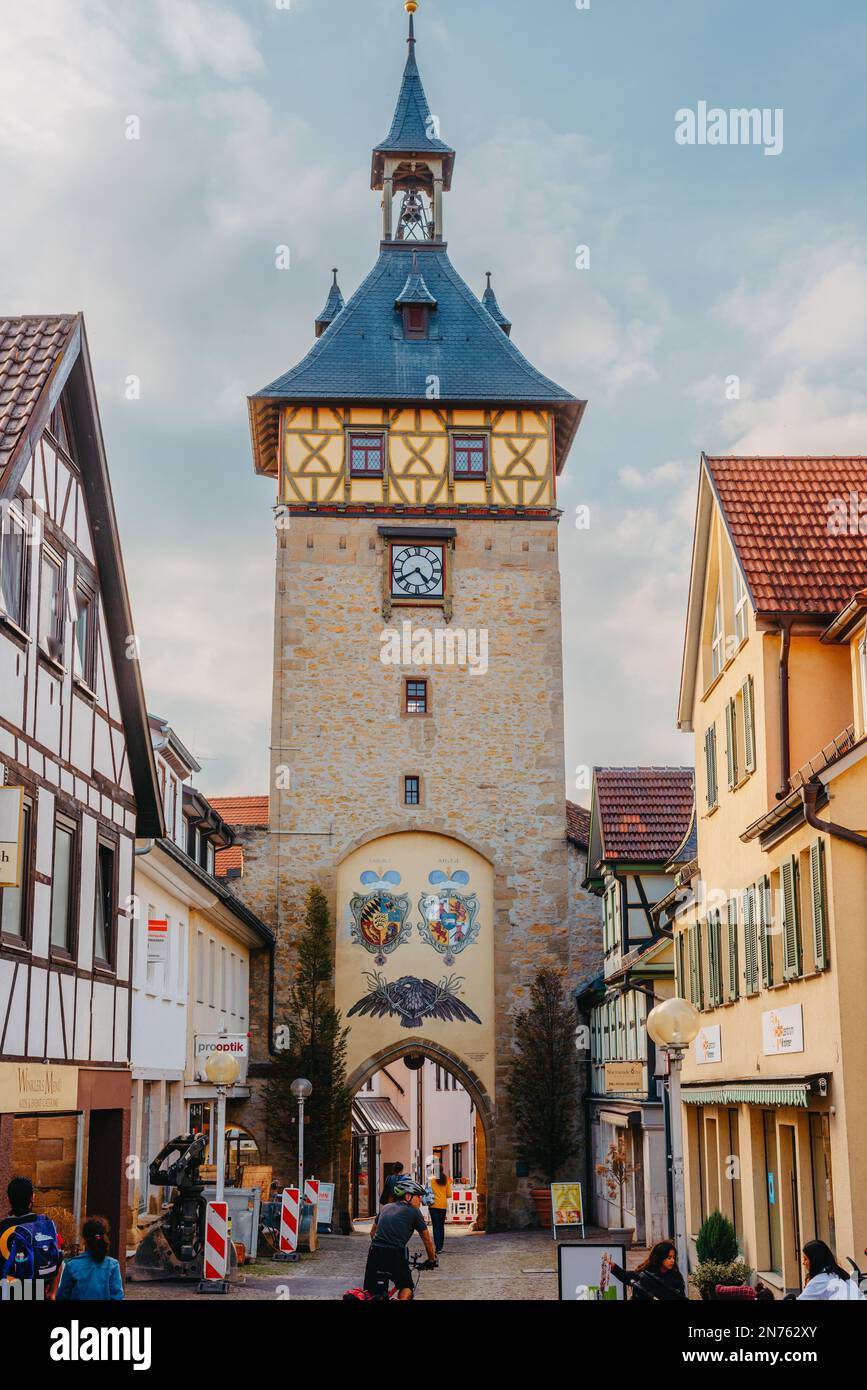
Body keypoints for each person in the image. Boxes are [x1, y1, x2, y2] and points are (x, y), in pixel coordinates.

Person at [364, 1176, 437, 1300]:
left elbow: (372, 1233)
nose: (420, 1200)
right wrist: (431, 1260)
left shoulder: (386, 1207)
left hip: (374, 1252)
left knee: (372, 1291)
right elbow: (427, 1239)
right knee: (406, 1286)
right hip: (394, 1253)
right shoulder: (414, 1212)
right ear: (408, 1197)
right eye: (418, 1196)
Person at [0, 1177, 63, 1300]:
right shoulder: (44, 1224)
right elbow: (57, 1259)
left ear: (8, 1199)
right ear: (32, 1197)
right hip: (37, 1291)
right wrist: (53, 1292)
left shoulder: (1, 1227)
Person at [57, 1217, 124, 1301]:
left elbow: (62, 1296)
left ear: (84, 1239)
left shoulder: (72, 1265)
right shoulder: (113, 1265)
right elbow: (117, 1297)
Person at [611, 1241, 687, 1301]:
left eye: (674, 1258)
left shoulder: (675, 1276)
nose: (672, 1261)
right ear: (660, 1257)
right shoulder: (646, 1274)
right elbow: (627, 1277)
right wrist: (614, 1267)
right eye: (669, 1258)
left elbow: (680, 1296)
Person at [797, 1239, 865, 1301]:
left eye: (806, 1259)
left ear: (815, 1260)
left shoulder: (819, 1280)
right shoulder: (840, 1275)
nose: (803, 1263)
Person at [428, 1167, 450, 1254]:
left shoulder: (431, 1180)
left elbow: (427, 1192)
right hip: (443, 1205)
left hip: (433, 1205)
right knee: (441, 1226)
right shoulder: (446, 1180)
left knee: (435, 1227)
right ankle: (440, 1246)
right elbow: (448, 1194)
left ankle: (437, 1247)